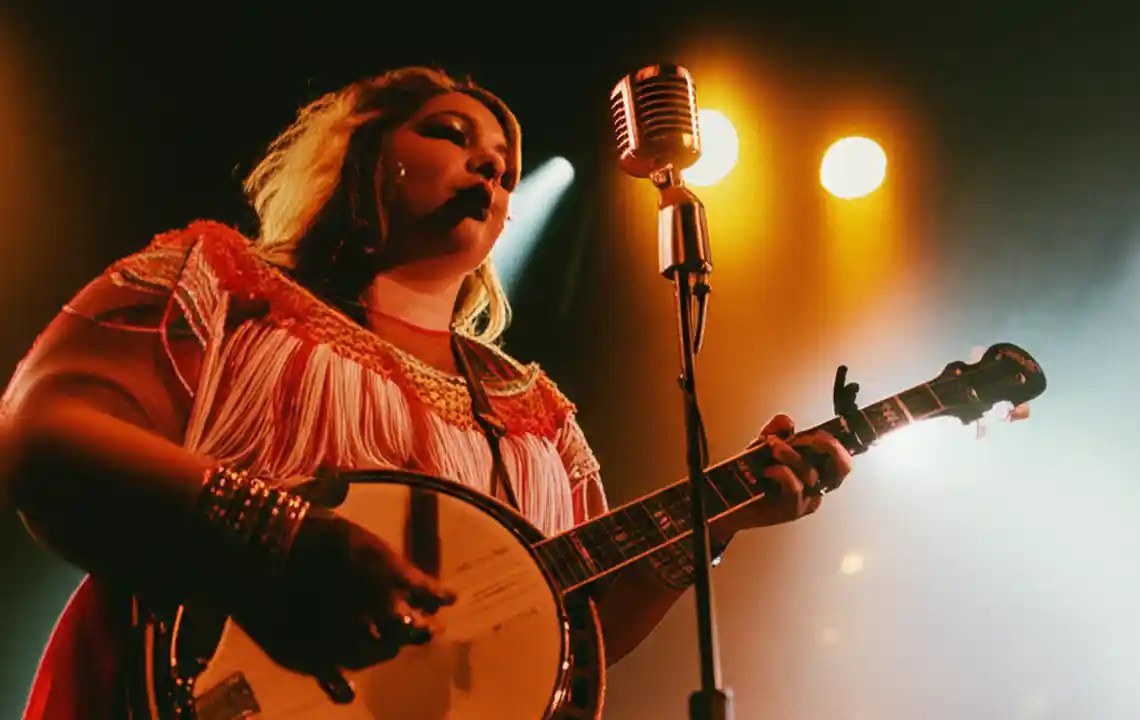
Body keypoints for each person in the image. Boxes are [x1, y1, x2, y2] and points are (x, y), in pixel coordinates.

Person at [0, 65, 853, 719]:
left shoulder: (537, 416)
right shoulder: (226, 288)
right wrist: (284, 537)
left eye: (507, 171)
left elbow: (568, 629)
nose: (490, 168)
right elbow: (45, 433)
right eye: (451, 135)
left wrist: (713, 524)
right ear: (365, 152)